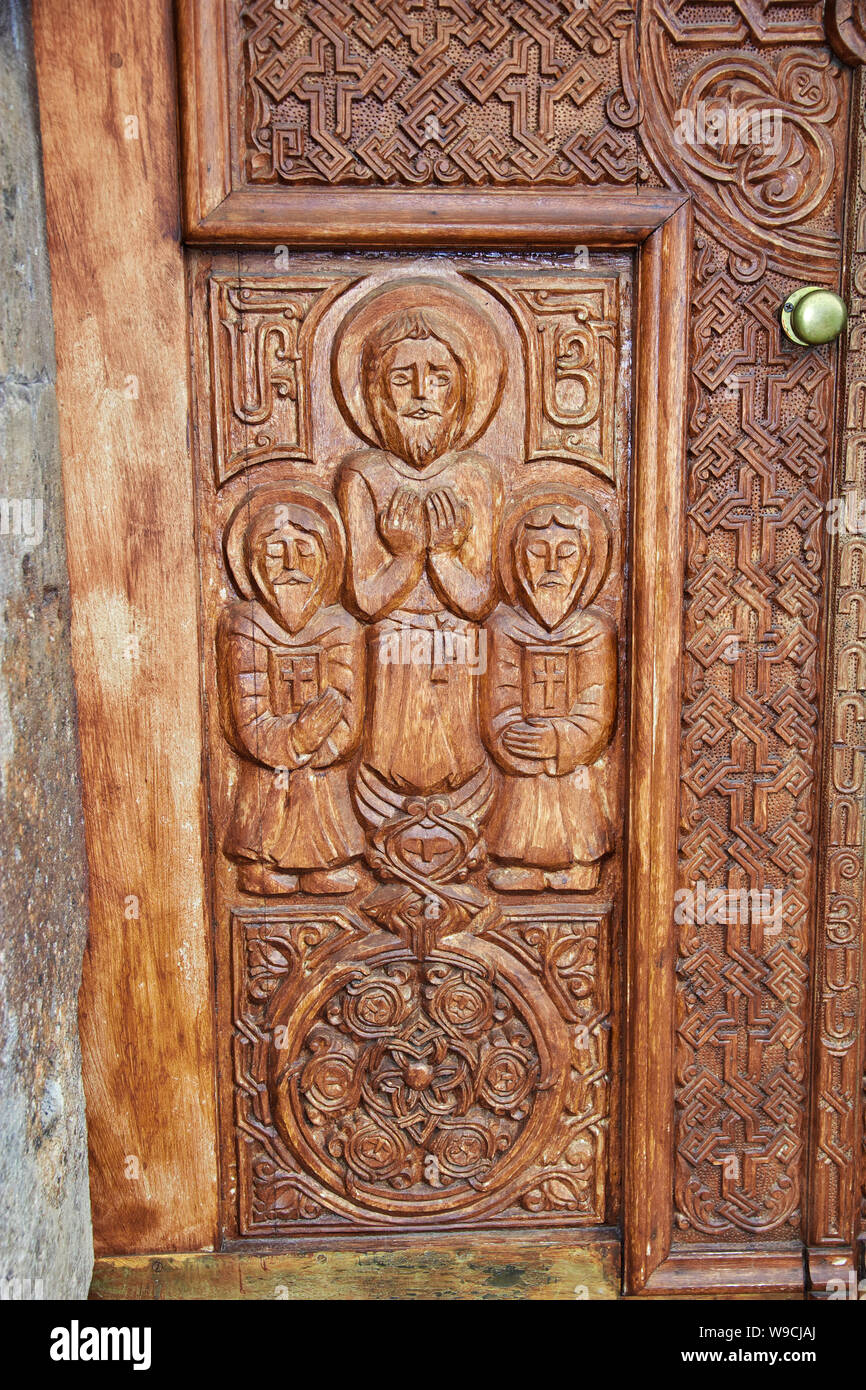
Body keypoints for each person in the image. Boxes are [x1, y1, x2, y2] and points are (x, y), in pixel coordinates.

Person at [333, 280, 505, 834]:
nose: (421, 393)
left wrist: (445, 555)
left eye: (438, 378)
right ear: (378, 393)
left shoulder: (475, 477)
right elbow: (364, 598)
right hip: (392, 651)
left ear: (463, 390)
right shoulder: (364, 475)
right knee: (392, 759)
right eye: (402, 379)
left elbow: (480, 601)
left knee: (458, 761)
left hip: (459, 652)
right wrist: (408, 558)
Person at [217, 483, 365, 895]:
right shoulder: (245, 626)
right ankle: (259, 862)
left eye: (303, 551)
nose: (290, 565)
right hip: (268, 764)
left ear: (326, 561)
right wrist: (296, 737)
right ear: (254, 563)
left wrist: (323, 741)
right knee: (270, 789)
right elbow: (246, 715)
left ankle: (323, 862)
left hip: (322, 769)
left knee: (320, 794)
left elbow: (349, 712)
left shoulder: (340, 628)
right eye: (275, 552)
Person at [482, 490, 617, 891]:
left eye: (567, 553)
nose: (552, 566)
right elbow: (497, 700)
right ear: (519, 562)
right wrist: (514, 737)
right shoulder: (503, 628)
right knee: (523, 809)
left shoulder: (594, 631)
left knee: (575, 805)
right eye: (539, 553)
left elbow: (598, 707)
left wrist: (559, 739)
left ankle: (578, 863)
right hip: (521, 763)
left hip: (572, 764)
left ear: (586, 562)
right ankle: (522, 862)